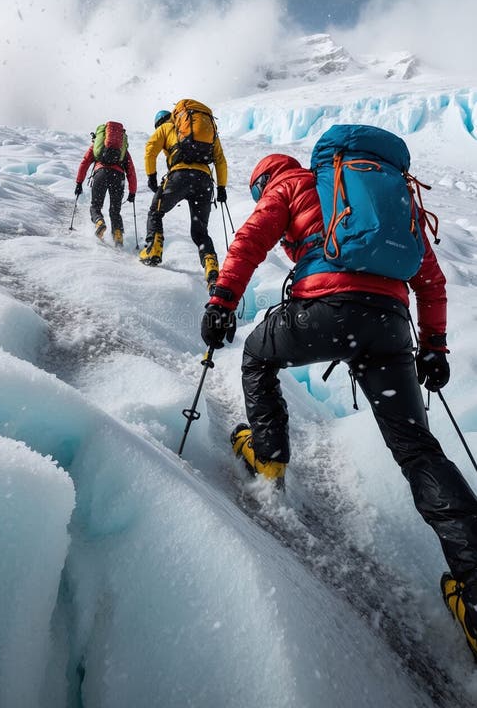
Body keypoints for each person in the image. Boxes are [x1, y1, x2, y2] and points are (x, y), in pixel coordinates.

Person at [200, 150, 477, 658]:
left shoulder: (289, 186)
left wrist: (222, 301)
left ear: (265, 179)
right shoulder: (386, 198)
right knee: (417, 450)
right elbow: (430, 278)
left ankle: (269, 455)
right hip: (390, 324)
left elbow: (249, 242)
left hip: (325, 311)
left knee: (258, 358)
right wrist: (433, 346)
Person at [138, 106, 228, 286]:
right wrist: (221, 187)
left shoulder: (166, 128)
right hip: (203, 181)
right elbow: (220, 159)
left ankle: (154, 250)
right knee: (200, 231)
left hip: (179, 177)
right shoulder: (204, 132)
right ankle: (211, 268)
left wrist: (151, 176)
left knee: (156, 212)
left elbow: (150, 149)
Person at [75, 123, 137, 246]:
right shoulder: (122, 150)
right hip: (118, 178)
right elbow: (131, 170)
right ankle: (118, 234)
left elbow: (85, 163)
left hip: (101, 174)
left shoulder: (97, 146)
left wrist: (79, 182)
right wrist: (132, 191)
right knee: (115, 210)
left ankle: (99, 222)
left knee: (96, 206)